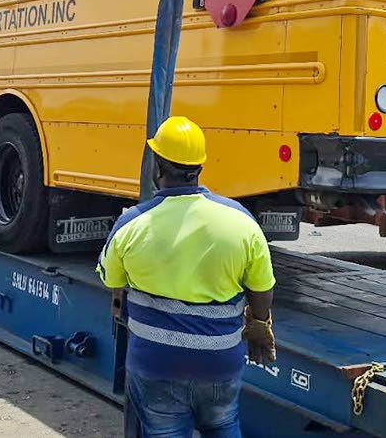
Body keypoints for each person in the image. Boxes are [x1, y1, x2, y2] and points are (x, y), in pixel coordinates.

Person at [98, 116, 276, 438]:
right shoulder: (240, 221)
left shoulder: (131, 224)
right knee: (223, 424)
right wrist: (259, 323)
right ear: (200, 168)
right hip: (219, 362)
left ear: (157, 167)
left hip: (156, 363)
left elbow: (112, 281)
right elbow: (262, 287)